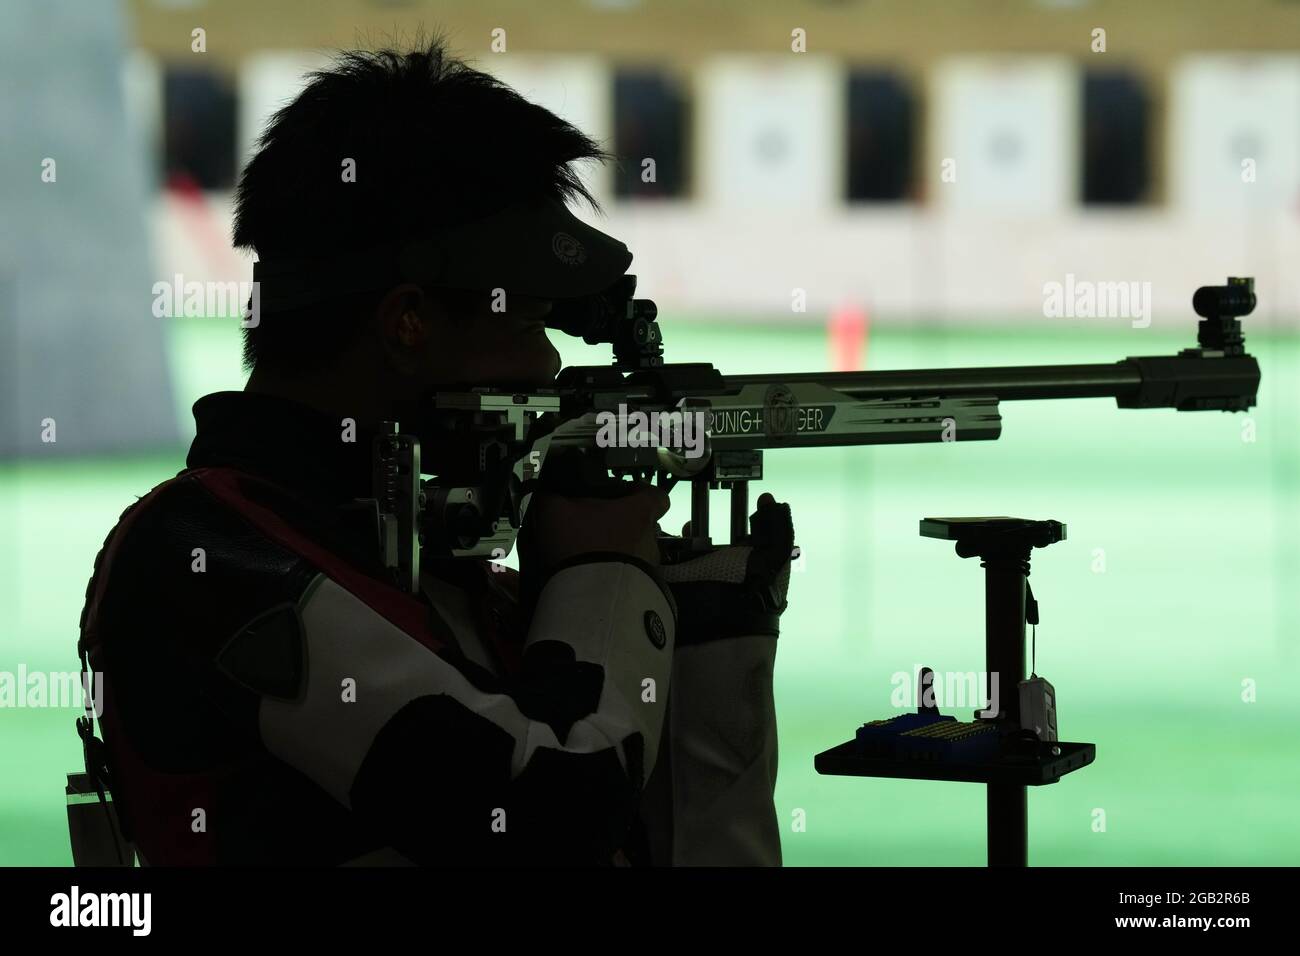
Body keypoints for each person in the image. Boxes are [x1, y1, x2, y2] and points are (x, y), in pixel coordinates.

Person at [77, 39, 794, 866]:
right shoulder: (205, 558)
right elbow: (548, 817)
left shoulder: (436, 573)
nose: (549, 365)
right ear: (407, 323)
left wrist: (706, 639)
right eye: (526, 323)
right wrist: (604, 571)